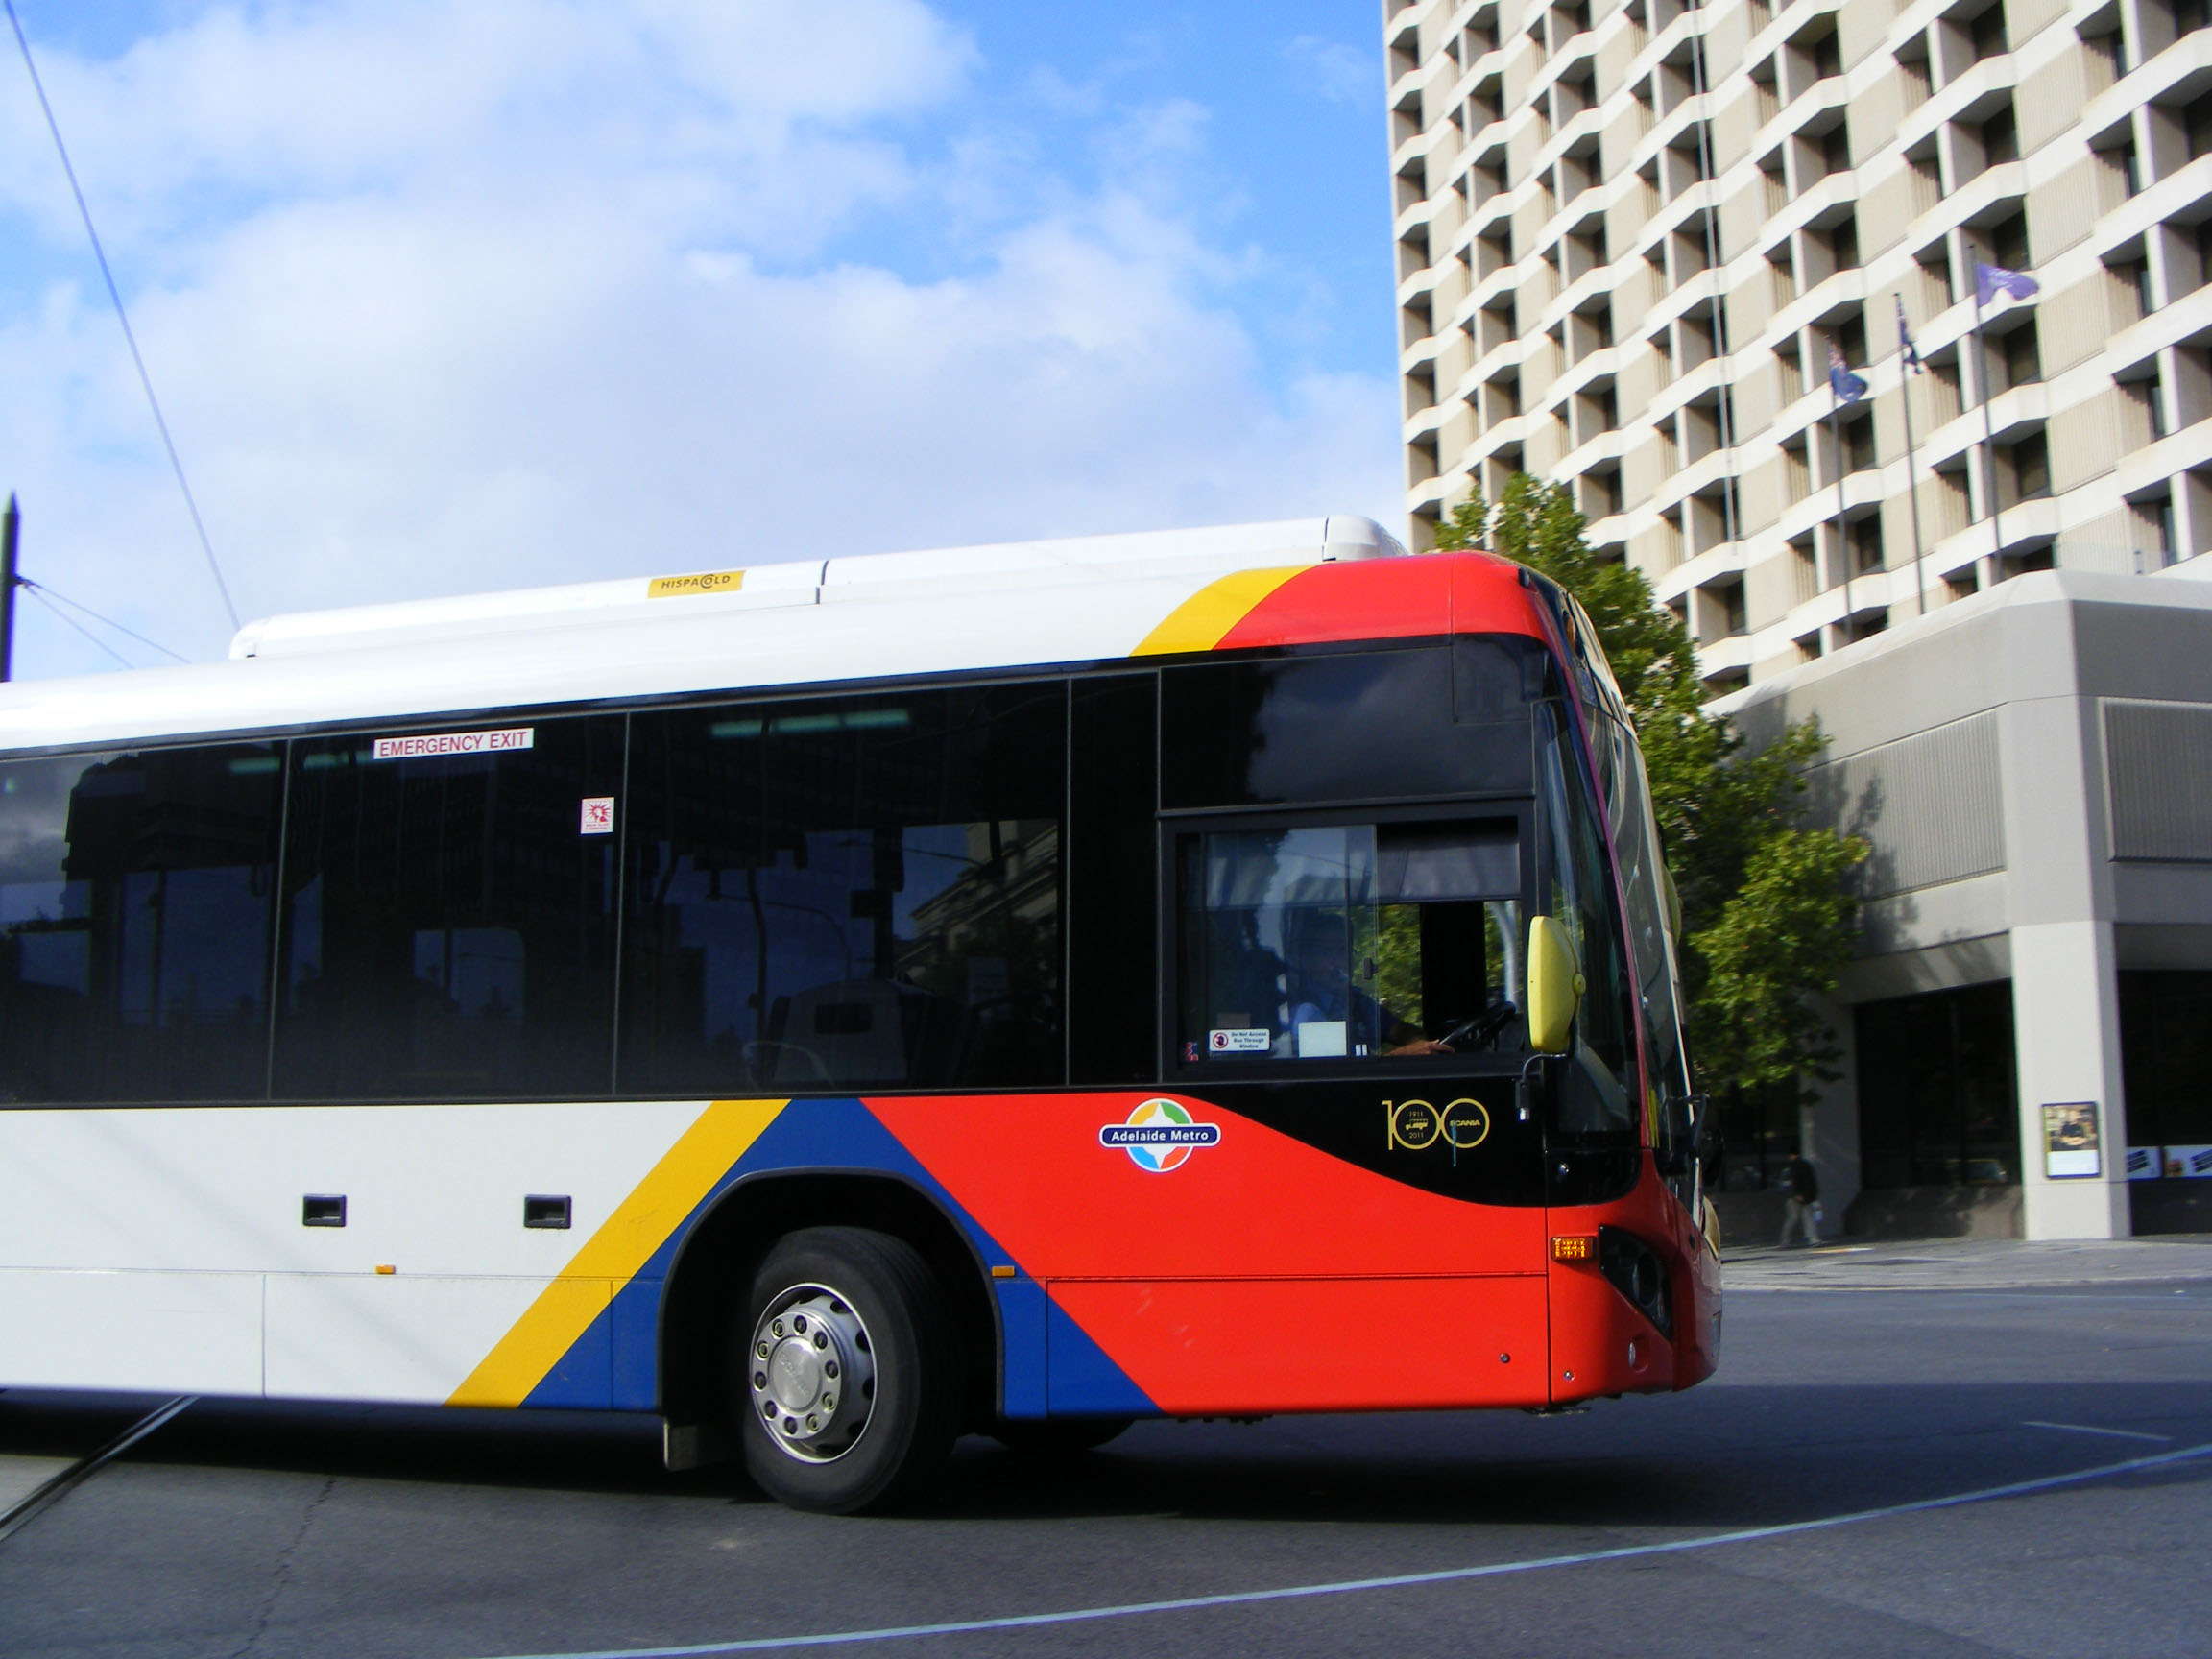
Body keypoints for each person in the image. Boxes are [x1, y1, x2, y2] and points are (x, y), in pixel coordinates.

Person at [1778, 1152, 1821, 1248]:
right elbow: (1811, 1182)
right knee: (1808, 1218)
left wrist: (1795, 1194)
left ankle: (1785, 1240)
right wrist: (1812, 1196)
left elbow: (1789, 1183)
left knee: (1793, 1218)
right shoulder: (1806, 1165)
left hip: (1795, 1197)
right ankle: (1813, 1240)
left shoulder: (1790, 1168)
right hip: (1806, 1197)